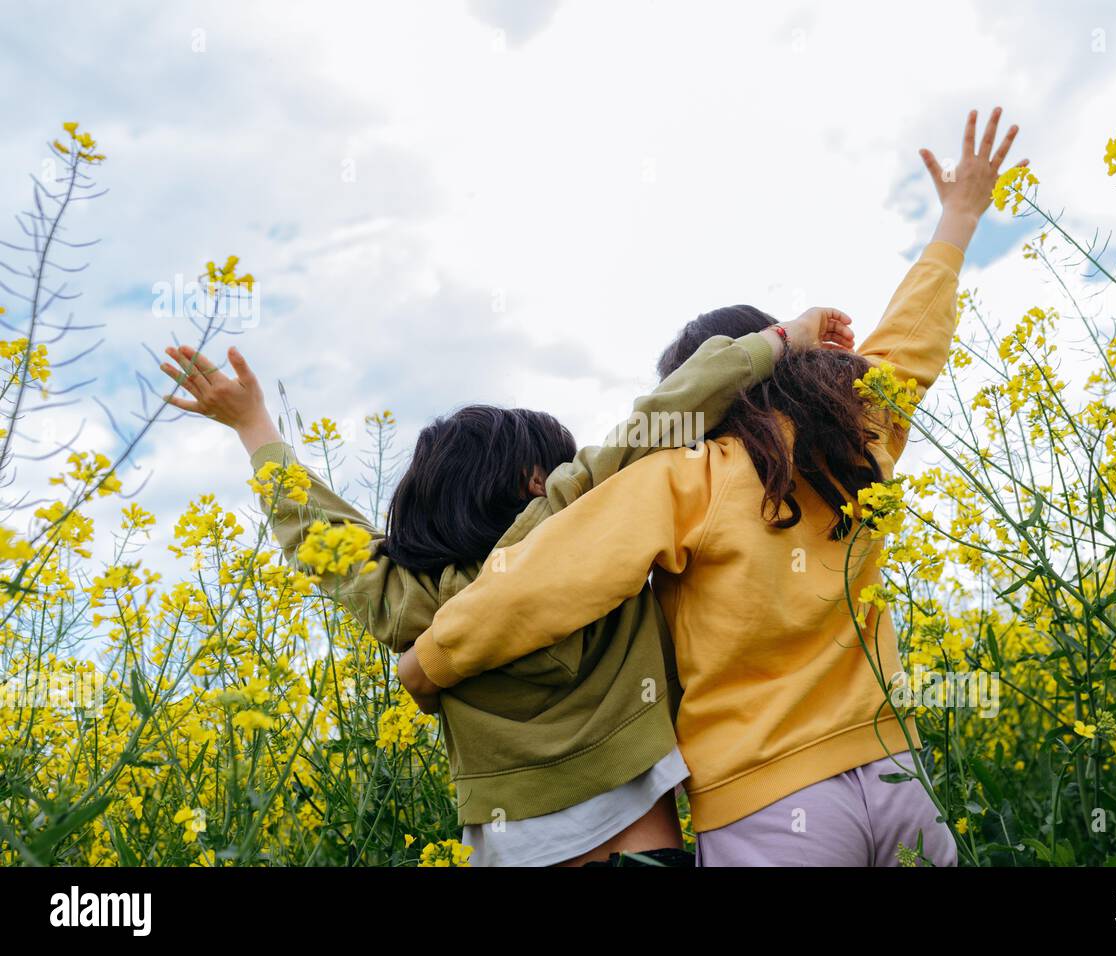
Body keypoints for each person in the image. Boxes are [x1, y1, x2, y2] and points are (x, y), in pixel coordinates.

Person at [400, 108, 1024, 865]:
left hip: (769, 803)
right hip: (899, 779)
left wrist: (434, 658)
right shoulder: (863, 438)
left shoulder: (689, 476)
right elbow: (912, 340)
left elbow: (549, 578)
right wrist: (957, 220)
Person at [158, 305, 851, 866]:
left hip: (511, 843)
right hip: (639, 836)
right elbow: (661, 415)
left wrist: (254, 426)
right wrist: (779, 340)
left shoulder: (406, 597)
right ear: (530, 481)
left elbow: (318, 537)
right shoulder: (568, 520)